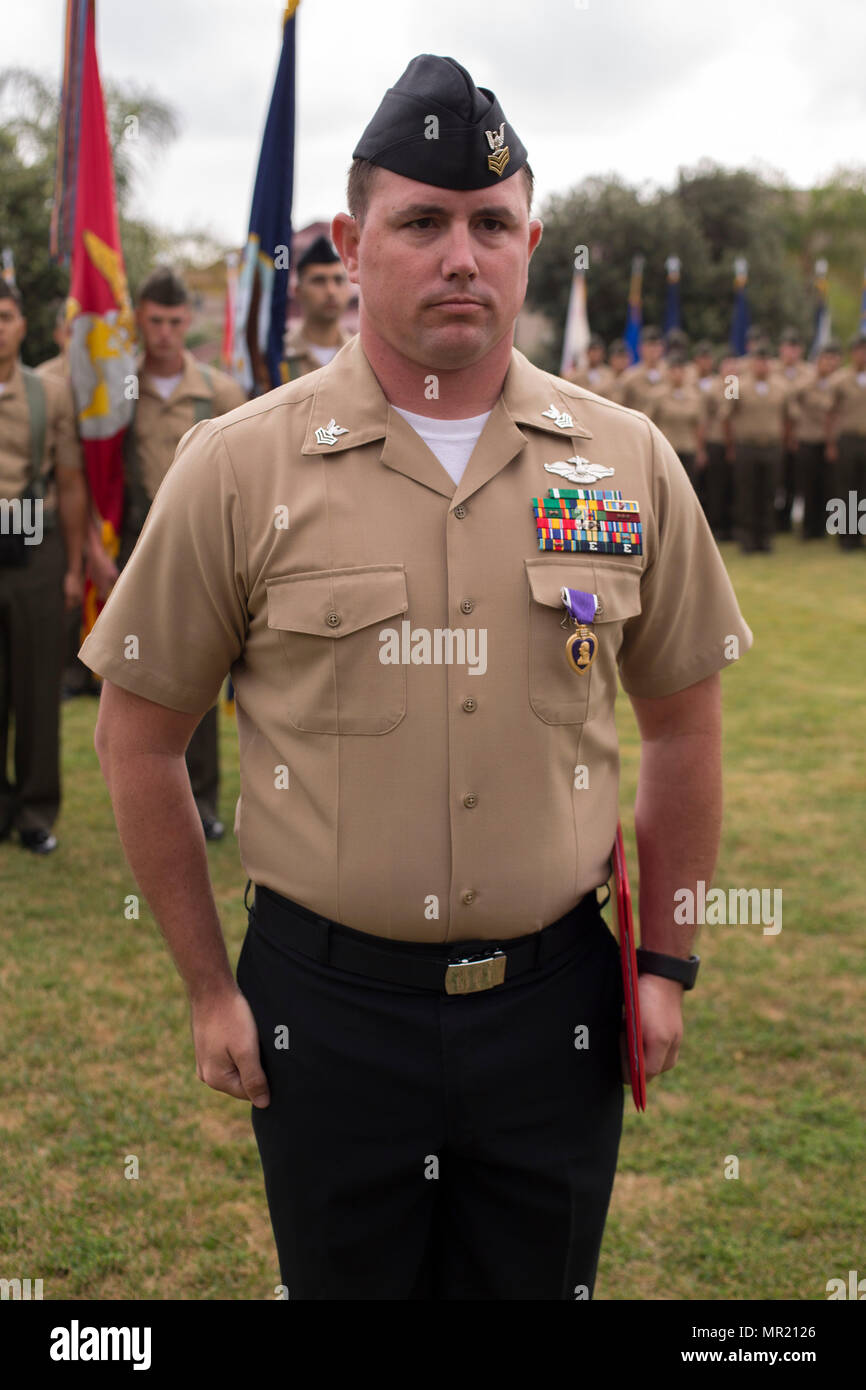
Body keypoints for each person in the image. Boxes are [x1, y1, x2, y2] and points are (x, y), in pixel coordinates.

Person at [80, 53, 753, 1301]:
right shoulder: (239, 468)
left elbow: (681, 729)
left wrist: (663, 963)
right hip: (327, 1018)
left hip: (553, 1011)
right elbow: (139, 736)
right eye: (423, 221)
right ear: (352, 238)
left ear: (530, 242)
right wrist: (207, 989)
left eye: (491, 224)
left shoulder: (620, 462)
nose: (462, 254)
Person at [118, 267, 246, 838]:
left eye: (175, 321)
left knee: (200, 674)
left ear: (187, 322)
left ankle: (205, 802)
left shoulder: (218, 391)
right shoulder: (120, 387)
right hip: (136, 540)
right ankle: (142, 794)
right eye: (155, 320)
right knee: (139, 677)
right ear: (139, 319)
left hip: (202, 547)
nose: (165, 333)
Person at [0, 280, 87, 853]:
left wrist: (74, 567)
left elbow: (71, 481)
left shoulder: (49, 392)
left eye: (4, 316)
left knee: (37, 684)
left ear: (22, 325)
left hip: (33, 540)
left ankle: (34, 812)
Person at [721, 339, 789, 553]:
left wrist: (784, 443)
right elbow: (725, 417)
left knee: (769, 493)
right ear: (751, 363)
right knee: (746, 494)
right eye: (758, 360)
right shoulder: (735, 384)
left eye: (765, 361)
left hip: (771, 447)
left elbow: (788, 417)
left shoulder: (781, 386)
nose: (762, 365)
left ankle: (766, 538)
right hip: (746, 447)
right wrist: (730, 445)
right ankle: (746, 538)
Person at [786, 341, 839, 540]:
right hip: (808, 439)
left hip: (830, 441)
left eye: (833, 360)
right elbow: (790, 398)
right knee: (807, 486)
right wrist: (796, 418)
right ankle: (808, 528)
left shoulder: (839, 383)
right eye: (825, 359)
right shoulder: (806, 382)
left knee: (828, 485)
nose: (829, 364)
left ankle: (824, 526)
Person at [281, 235, 353, 382]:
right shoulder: (279, 356)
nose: (331, 291)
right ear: (298, 292)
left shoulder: (362, 355)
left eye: (338, 280)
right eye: (319, 281)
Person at [826, 333, 866, 551]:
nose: (863, 355)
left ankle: (860, 533)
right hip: (848, 440)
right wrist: (831, 444)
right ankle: (846, 536)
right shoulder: (840, 380)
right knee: (847, 491)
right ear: (853, 354)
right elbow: (830, 414)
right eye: (860, 350)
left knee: (864, 491)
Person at [773, 329, 810, 533]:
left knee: (796, 480)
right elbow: (732, 382)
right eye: (788, 347)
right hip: (773, 434)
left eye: (795, 348)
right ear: (781, 349)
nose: (791, 352)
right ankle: (773, 520)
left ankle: (790, 520)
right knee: (773, 481)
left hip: (802, 434)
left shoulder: (810, 373)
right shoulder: (768, 370)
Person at [648, 349, 702, 490]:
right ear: (668, 372)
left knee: (688, 489)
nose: (677, 373)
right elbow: (648, 423)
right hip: (666, 450)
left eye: (680, 370)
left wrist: (700, 450)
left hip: (688, 448)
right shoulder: (657, 395)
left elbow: (698, 424)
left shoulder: (694, 395)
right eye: (673, 370)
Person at [620, 324, 667, 414]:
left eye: (657, 345)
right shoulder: (630, 377)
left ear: (662, 348)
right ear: (640, 348)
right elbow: (621, 407)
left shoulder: (670, 374)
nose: (653, 350)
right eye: (649, 346)